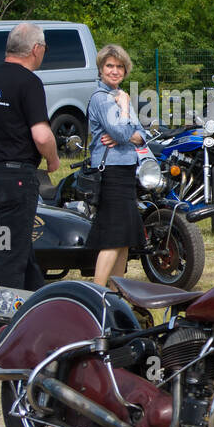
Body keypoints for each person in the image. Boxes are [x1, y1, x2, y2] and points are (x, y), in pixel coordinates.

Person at [0, 22, 60, 349]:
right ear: (36, 49)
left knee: (20, 253)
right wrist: (53, 160)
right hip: (16, 182)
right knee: (10, 257)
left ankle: (48, 317)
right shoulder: (29, 83)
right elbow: (42, 135)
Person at [86, 44, 146, 288]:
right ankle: (97, 294)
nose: (114, 71)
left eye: (119, 66)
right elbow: (122, 132)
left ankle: (116, 295)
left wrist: (128, 134)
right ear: (101, 69)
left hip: (126, 169)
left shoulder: (120, 95)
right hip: (110, 171)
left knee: (124, 239)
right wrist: (124, 110)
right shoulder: (103, 99)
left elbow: (141, 135)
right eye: (110, 66)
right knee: (112, 237)